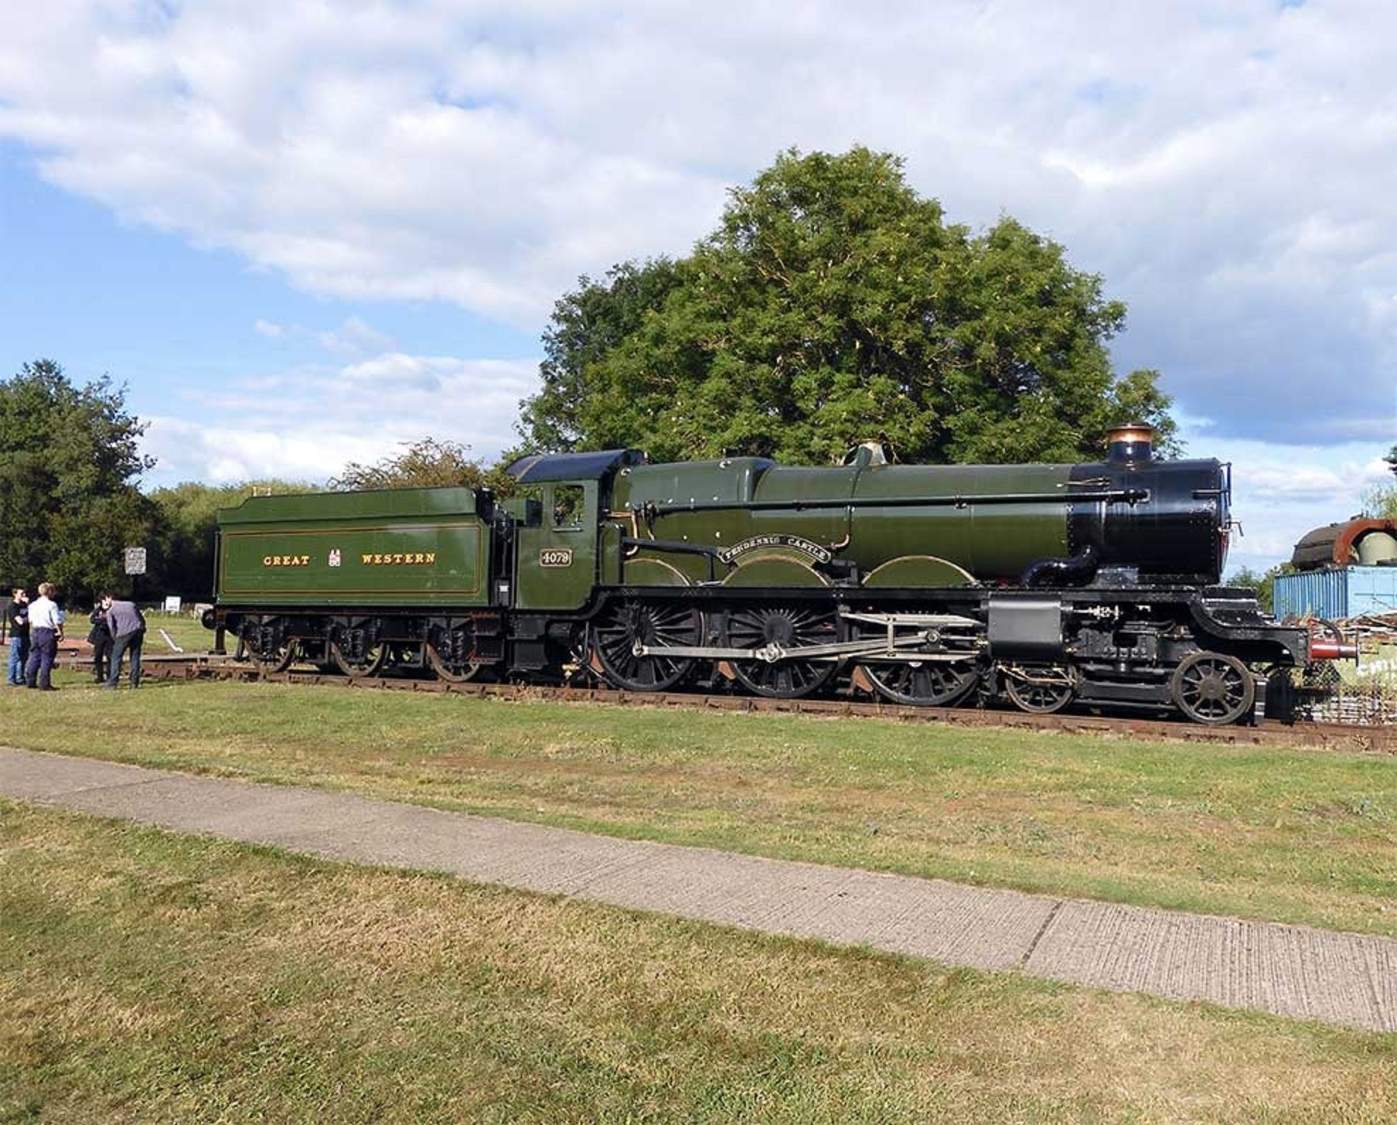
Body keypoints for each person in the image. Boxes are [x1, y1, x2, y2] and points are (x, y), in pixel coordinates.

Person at [24, 583, 62, 691]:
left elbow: (30, 620)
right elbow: (57, 620)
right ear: (49, 591)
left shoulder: (32, 605)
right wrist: (60, 632)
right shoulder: (52, 605)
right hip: (47, 631)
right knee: (47, 657)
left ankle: (30, 681)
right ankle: (44, 683)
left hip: (35, 630)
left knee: (34, 656)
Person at [104, 594, 146, 690]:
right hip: (137, 631)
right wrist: (142, 629)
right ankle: (134, 682)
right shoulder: (131, 605)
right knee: (135, 657)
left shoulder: (111, 611)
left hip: (123, 634)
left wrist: (115, 638)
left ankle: (113, 682)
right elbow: (141, 619)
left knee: (116, 657)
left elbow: (112, 627)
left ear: (109, 598)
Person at [87, 596, 113, 683]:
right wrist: (103, 619)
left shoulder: (113, 609)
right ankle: (99, 676)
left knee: (110, 656)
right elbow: (92, 619)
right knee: (98, 656)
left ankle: (109, 676)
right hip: (99, 636)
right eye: (105, 600)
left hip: (110, 636)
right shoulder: (98, 609)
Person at [6, 588, 28, 687]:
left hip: (25, 634)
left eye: (24, 593)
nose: (24, 595)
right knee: (15, 657)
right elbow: (20, 621)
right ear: (15, 594)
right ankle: (11, 679)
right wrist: (30, 617)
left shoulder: (24, 605)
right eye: (21, 593)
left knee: (23, 658)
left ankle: (20, 678)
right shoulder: (12, 606)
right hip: (16, 635)